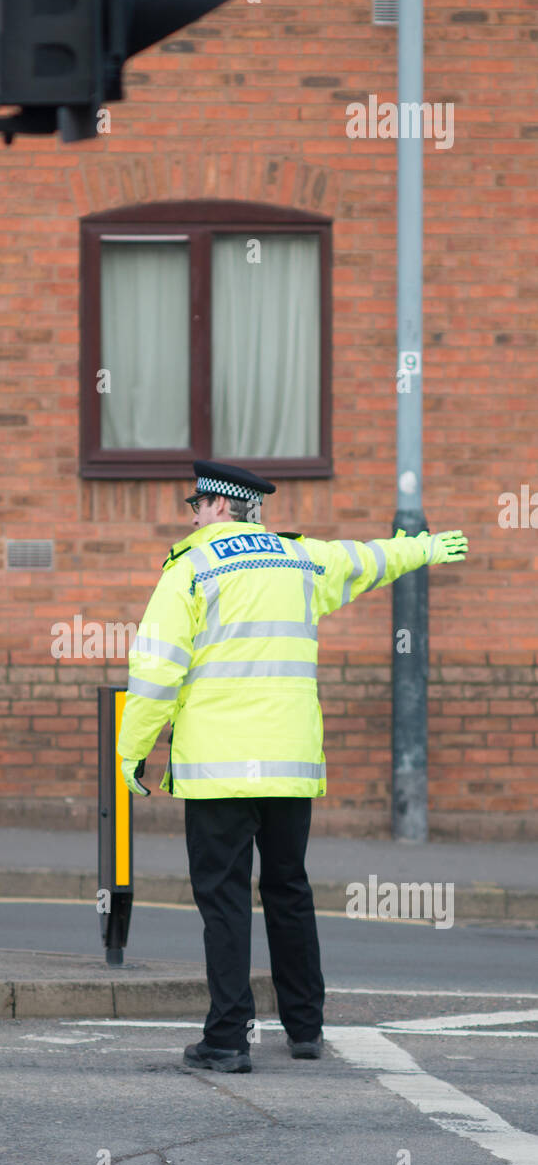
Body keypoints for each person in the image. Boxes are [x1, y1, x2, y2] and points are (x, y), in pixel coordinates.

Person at [116, 459, 468, 1074]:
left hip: (219, 771)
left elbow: (156, 670)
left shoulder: (192, 568)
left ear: (221, 507)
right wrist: (424, 548)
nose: (193, 514)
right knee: (288, 890)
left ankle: (227, 1039)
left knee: (225, 901)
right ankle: (306, 1027)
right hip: (289, 767)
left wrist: (132, 749)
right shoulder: (301, 559)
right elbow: (368, 560)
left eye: (195, 504)